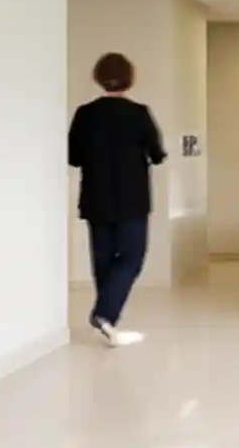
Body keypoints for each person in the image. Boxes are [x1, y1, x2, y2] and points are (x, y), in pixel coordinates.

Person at [68, 53, 166, 347]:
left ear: (98, 77)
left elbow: (73, 157)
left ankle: (107, 322)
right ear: (130, 78)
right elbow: (158, 154)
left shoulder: (85, 114)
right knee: (132, 258)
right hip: (132, 199)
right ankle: (104, 314)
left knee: (103, 261)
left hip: (95, 198)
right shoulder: (139, 113)